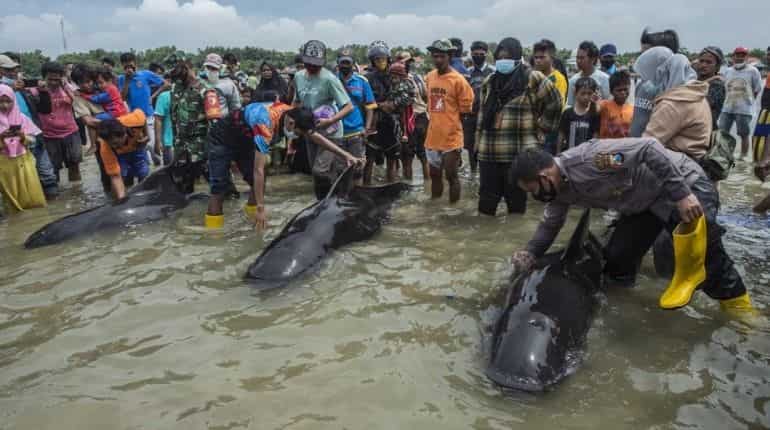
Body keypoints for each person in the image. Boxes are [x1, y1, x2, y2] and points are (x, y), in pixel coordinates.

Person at [508, 140, 753, 317]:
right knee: (617, 261)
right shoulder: (559, 192)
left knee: (708, 259)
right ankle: (626, 310)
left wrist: (682, 195)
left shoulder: (592, 160)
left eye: (534, 191)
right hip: (644, 205)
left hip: (682, 186)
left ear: (544, 176)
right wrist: (531, 252)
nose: (536, 197)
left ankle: (740, 312)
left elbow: (649, 148)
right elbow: (550, 224)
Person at [475, 37, 562, 216]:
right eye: (499, 58)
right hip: (489, 153)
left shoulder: (532, 78)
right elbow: (482, 117)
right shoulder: (489, 82)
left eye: (506, 57)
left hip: (519, 155)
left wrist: (543, 127)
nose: (502, 62)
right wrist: (477, 144)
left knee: (516, 205)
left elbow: (555, 102)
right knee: (486, 204)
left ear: (517, 57)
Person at [292, 40, 357, 198]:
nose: (313, 67)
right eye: (309, 63)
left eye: (317, 64)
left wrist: (331, 120)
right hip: (310, 129)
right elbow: (296, 100)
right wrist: (291, 117)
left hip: (330, 129)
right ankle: (321, 203)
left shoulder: (329, 79)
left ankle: (338, 198)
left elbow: (349, 106)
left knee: (320, 170)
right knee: (315, 173)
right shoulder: (298, 76)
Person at [204, 101, 274, 230]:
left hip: (244, 140)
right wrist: (261, 206)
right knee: (219, 187)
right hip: (221, 138)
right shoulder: (263, 119)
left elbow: (259, 170)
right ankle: (212, 233)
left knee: (258, 181)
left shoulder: (279, 115)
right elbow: (258, 170)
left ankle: (254, 221)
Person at [635, 47, 710, 161]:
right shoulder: (697, 95)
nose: (654, 84)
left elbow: (647, 144)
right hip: (696, 163)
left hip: (679, 167)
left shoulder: (673, 103)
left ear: (665, 75)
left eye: (655, 79)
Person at [0, 53, 58, 199]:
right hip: (8, 147)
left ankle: (53, 209)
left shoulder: (23, 88)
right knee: (19, 183)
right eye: (7, 70)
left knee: (47, 175)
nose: (12, 73)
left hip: (32, 135)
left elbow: (44, 109)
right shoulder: (8, 89)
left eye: (13, 69)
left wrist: (44, 92)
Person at [424, 39, 474, 203]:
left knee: (452, 176)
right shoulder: (430, 77)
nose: (438, 60)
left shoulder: (458, 80)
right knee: (434, 176)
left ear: (450, 56)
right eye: (435, 56)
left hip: (451, 138)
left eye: (441, 56)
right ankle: (435, 206)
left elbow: (466, 111)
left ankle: (453, 210)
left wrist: (451, 126)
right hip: (432, 137)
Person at [284, 107, 365, 198]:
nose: (295, 134)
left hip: (335, 131)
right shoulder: (289, 119)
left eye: (298, 132)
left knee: (320, 171)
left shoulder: (304, 121)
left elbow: (320, 140)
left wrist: (347, 155)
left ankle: (336, 196)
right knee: (318, 172)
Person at [0, 84, 47, 212]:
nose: (4, 105)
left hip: (24, 160)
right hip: (4, 163)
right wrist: (1, 137)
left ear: (13, 101)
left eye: (8, 101)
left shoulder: (22, 118)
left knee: (33, 194)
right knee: (12, 198)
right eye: (1, 101)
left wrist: (22, 136)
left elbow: (32, 139)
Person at [37, 61, 83, 184]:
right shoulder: (36, 91)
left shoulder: (67, 88)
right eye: (50, 79)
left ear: (61, 78)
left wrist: (65, 85)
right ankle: (58, 196)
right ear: (44, 77)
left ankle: (77, 195)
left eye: (56, 79)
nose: (53, 83)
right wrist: (42, 90)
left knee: (74, 167)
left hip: (71, 132)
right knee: (53, 170)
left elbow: (77, 100)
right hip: (49, 136)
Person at [168, 53, 217, 166]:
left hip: (199, 148)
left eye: (179, 73)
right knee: (181, 181)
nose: (177, 78)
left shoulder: (206, 90)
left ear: (187, 68)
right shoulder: (176, 89)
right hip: (180, 148)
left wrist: (213, 149)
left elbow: (215, 123)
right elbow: (174, 118)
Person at [337, 49, 376, 185]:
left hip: (357, 132)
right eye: (342, 62)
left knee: (358, 168)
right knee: (339, 170)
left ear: (353, 64)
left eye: (348, 62)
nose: (345, 65)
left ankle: (356, 197)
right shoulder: (332, 80)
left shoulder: (362, 81)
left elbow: (370, 106)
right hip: (337, 132)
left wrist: (367, 128)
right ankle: (342, 198)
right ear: (338, 63)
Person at [364, 40, 401, 184]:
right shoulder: (366, 78)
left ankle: (391, 187)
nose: (381, 62)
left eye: (383, 59)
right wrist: (379, 105)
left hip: (391, 123)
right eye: (377, 59)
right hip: (374, 123)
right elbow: (363, 102)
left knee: (392, 160)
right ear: (372, 61)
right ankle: (366, 187)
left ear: (388, 59)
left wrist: (393, 104)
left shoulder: (395, 76)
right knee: (369, 160)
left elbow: (404, 98)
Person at [119, 52, 165, 164]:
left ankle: (159, 164)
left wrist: (152, 97)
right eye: (126, 67)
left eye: (131, 66)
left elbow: (165, 84)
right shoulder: (121, 79)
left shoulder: (146, 74)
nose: (129, 69)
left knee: (152, 145)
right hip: (135, 119)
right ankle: (148, 170)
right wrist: (127, 81)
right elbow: (122, 98)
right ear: (122, 66)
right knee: (141, 147)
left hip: (149, 116)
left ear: (135, 64)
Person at [720, 46, 763, 160]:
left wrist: (749, 101)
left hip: (744, 109)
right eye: (737, 55)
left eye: (742, 55)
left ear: (746, 57)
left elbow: (757, 88)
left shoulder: (753, 71)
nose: (740, 57)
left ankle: (743, 157)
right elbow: (725, 88)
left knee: (743, 134)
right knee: (722, 133)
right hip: (727, 107)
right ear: (733, 57)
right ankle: (724, 156)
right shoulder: (728, 71)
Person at [96, 110, 150, 189]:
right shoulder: (106, 147)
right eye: (111, 144)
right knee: (123, 175)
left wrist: (147, 135)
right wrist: (122, 200)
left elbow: (142, 116)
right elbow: (115, 176)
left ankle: (143, 190)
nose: (113, 146)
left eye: (116, 143)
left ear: (124, 135)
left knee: (143, 173)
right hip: (120, 155)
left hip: (137, 149)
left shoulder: (135, 120)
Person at [464, 41, 495, 174]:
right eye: (475, 54)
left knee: (488, 147)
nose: (478, 56)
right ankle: (472, 175)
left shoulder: (493, 72)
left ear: (486, 54)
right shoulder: (467, 73)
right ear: (471, 54)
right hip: (470, 116)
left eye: (481, 54)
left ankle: (485, 174)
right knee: (471, 149)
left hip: (488, 116)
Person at [558, 77, 600, 151]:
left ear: (594, 94)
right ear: (575, 93)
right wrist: (558, 153)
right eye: (583, 93)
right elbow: (561, 135)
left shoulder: (594, 114)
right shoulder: (567, 113)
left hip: (587, 156)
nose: (586, 97)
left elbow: (595, 137)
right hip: (569, 154)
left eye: (589, 93)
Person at [566, 41, 610, 106]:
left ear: (592, 59)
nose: (578, 61)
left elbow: (608, 103)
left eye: (582, 58)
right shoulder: (573, 81)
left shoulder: (604, 79)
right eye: (577, 58)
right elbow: (571, 105)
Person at [202, 53, 241, 117]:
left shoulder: (228, 84)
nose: (210, 70)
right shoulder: (200, 83)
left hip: (223, 123)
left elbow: (236, 107)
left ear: (219, 68)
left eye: (214, 68)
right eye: (208, 67)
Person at [696, 47, 726, 130]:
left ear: (717, 67)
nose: (703, 65)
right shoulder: (694, 80)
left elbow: (700, 106)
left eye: (709, 62)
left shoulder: (717, 85)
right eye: (701, 61)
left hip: (705, 131)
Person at [598, 71, 633, 139]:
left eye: (625, 89)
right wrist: (594, 102)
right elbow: (595, 109)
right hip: (606, 148)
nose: (623, 92)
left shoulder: (632, 109)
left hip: (625, 147)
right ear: (611, 92)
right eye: (619, 90)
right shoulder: (604, 105)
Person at [532, 39, 567, 105]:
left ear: (552, 58)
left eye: (542, 57)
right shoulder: (532, 77)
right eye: (536, 57)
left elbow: (558, 106)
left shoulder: (558, 79)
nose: (538, 60)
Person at [753, 47, 770, 168]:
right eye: (768, 54)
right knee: (761, 132)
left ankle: (764, 159)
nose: (768, 57)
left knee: (764, 133)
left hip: (767, 109)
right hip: (765, 108)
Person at [153, 77, 174, 166]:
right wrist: (158, 142)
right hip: (169, 142)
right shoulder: (164, 96)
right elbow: (158, 120)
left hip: (175, 142)